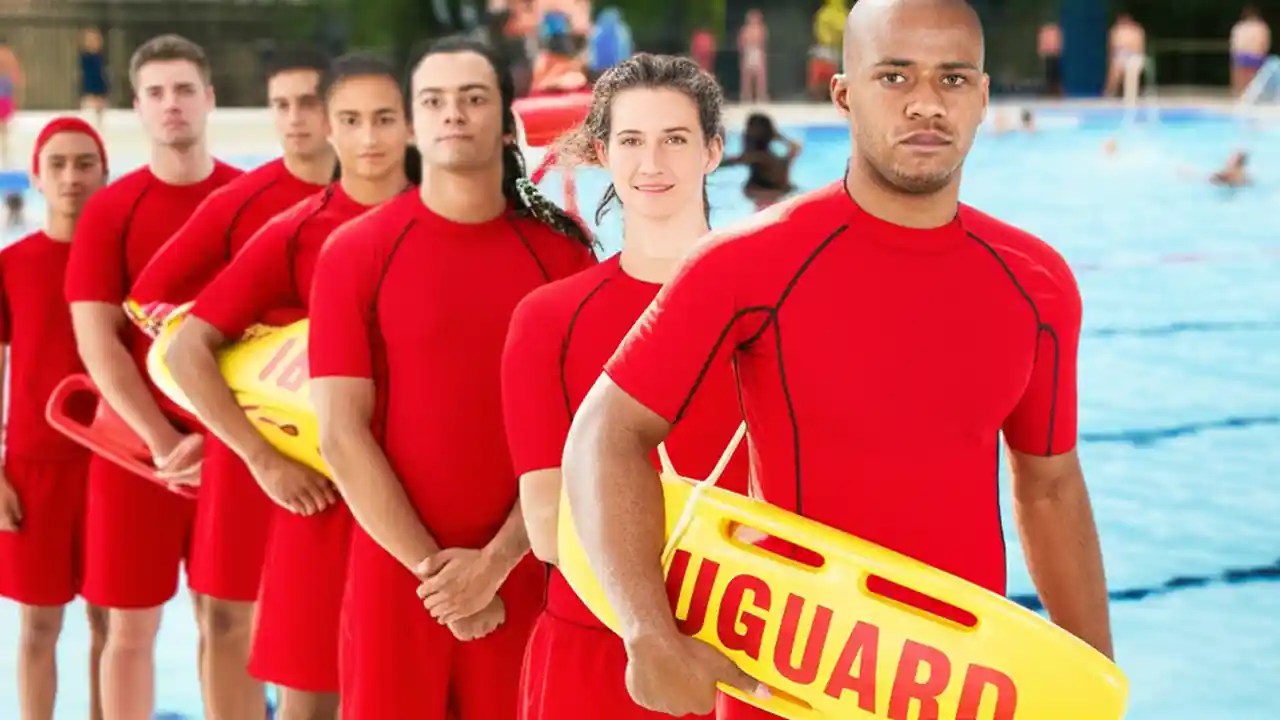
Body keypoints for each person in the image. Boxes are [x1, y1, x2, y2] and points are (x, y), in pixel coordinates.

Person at [560, 2, 1114, 718]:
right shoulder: (749, 264)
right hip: (787, 694)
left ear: (981, 98)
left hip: (953, 692)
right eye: (895, 76)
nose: (925, 102)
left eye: (952, 79)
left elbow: (1050, 487)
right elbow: (605, 432)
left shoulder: (1036, 284)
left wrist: (1096, 693)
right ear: (845, 93)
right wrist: (647, 633)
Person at [306, 36, 595, 719]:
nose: (453, 115)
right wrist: (439, 580)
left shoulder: (563, 257)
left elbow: (581, 436)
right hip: (397, 575)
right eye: (434, 101)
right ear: (412, 122)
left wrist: (493, 565)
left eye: (473, 99)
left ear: (504, 120)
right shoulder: (354, 254)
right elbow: (341, 434)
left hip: (529, 568)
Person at [161, 52, 417, 720]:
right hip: (327, 498)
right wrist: (261, 456)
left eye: (384, 119)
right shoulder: (296, 231)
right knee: (312, 690)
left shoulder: (453, 222)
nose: (368, 138)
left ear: (411, 126)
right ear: (332, 128)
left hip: (429, 501)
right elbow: (187, 347)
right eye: (352, 121)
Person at [502, 53, 751, 720]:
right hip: (595, 652)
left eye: (675, 139)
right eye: (632, 142)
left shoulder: (775, 309)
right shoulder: (549, 319)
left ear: (713, 152)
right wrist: (657, 630)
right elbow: (551, 530)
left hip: (750, 656)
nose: (653, 163)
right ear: (602, 154)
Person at [124, 46, 335, 720]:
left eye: (309, 101)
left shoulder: (387, 198)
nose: (295, 119)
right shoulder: (240, 201)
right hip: (257, 434)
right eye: (280, 104)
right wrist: (251, 348)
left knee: (334, 622)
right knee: (226, 617)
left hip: (347, 443)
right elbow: (148, 299)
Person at [64, 34, 242, 720]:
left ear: (210, 99)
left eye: (185, 90)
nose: (173, 106)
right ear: (137, 107)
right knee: (129, 629)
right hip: (137, 454)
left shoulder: (247, 198)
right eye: (158, 94)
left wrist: (222, 438)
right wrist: (159, 441)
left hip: (232, 448)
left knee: (227, 621)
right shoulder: (110, 211)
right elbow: (96, 339)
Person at [0, 117, 109, 720]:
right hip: (34, 469)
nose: (72, 177)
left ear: (104, 173)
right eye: (58, 164)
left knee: (110, 618)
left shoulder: (129, 264)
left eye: (84, 163)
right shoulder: (13, 265)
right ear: (36, 176)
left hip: (115, 465)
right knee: (38, 624)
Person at [720, 112, 801, 209]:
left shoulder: (757, 158)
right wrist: (780, 137)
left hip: (767, 195)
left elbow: (725, 163)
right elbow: (796, 147)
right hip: (779, 193)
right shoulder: (774, 159)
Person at [1230, 6, 1271, 98]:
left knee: (1241, 76)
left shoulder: (1240, 27)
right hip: (1254, 55)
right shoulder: (1261, 27)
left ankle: (1240, 93)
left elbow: (1235, 43)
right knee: (1252, 76)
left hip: (1244, 54)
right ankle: (1249, 94)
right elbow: (1264, 43)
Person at [1104, 13, 1146, 99]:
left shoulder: (1137, 31)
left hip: (1134, 56)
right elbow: (1112, 49)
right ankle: (1110, 93)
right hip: (1119, 56)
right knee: (1114, 70)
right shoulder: (1115, 31)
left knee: (1132, 67)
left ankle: (1131, 95)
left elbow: (1139, 48)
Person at [0, 38, 23, 168]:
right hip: (4, 97)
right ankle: (5, 156)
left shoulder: (10, 58)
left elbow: (16, 79)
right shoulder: (9, 58)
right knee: (4, 130)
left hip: (5, 98)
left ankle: (6, 156)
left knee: (5, 130)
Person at [80, 30, 110, 129]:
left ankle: (99, 126)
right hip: (90, 85)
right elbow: (87, 74)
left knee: (100, 110)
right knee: (90, 109)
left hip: (99, 84)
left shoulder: (100, 57)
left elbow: (102, 73)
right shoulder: (86, 57)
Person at [738, 10, 768, 103]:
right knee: (746, 77)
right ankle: (746, 96)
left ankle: (761, 96)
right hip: (748, 52)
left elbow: (763, 43)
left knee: (760, 77)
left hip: (757, 52)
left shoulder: (762, 29)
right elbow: (741, 43)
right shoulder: (745, 30)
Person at [1038, 20, 1063, 97]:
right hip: (1051, 56)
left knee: (1054, 77)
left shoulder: (1056, 31)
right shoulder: (1047, 31)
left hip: (1055, 56)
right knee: (1051, 77)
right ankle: (1052, 92)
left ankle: (1054, 92)